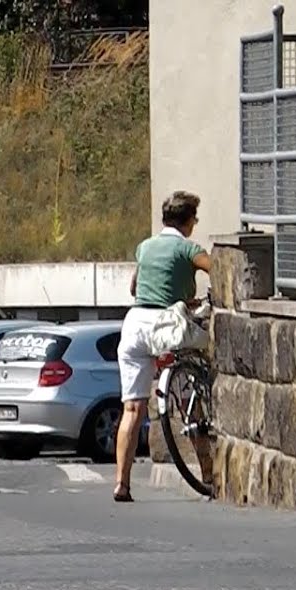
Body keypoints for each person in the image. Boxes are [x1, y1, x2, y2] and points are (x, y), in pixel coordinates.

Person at [112, 190, 212, 502]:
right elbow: (218, 269)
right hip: (166, 326)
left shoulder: (145, 247)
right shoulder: (187, 248)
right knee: (189, 401)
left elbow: (135, 287)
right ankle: (209, 475)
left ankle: (122, 484)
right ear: (189, 221)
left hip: (135, 324)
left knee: (132, 408)